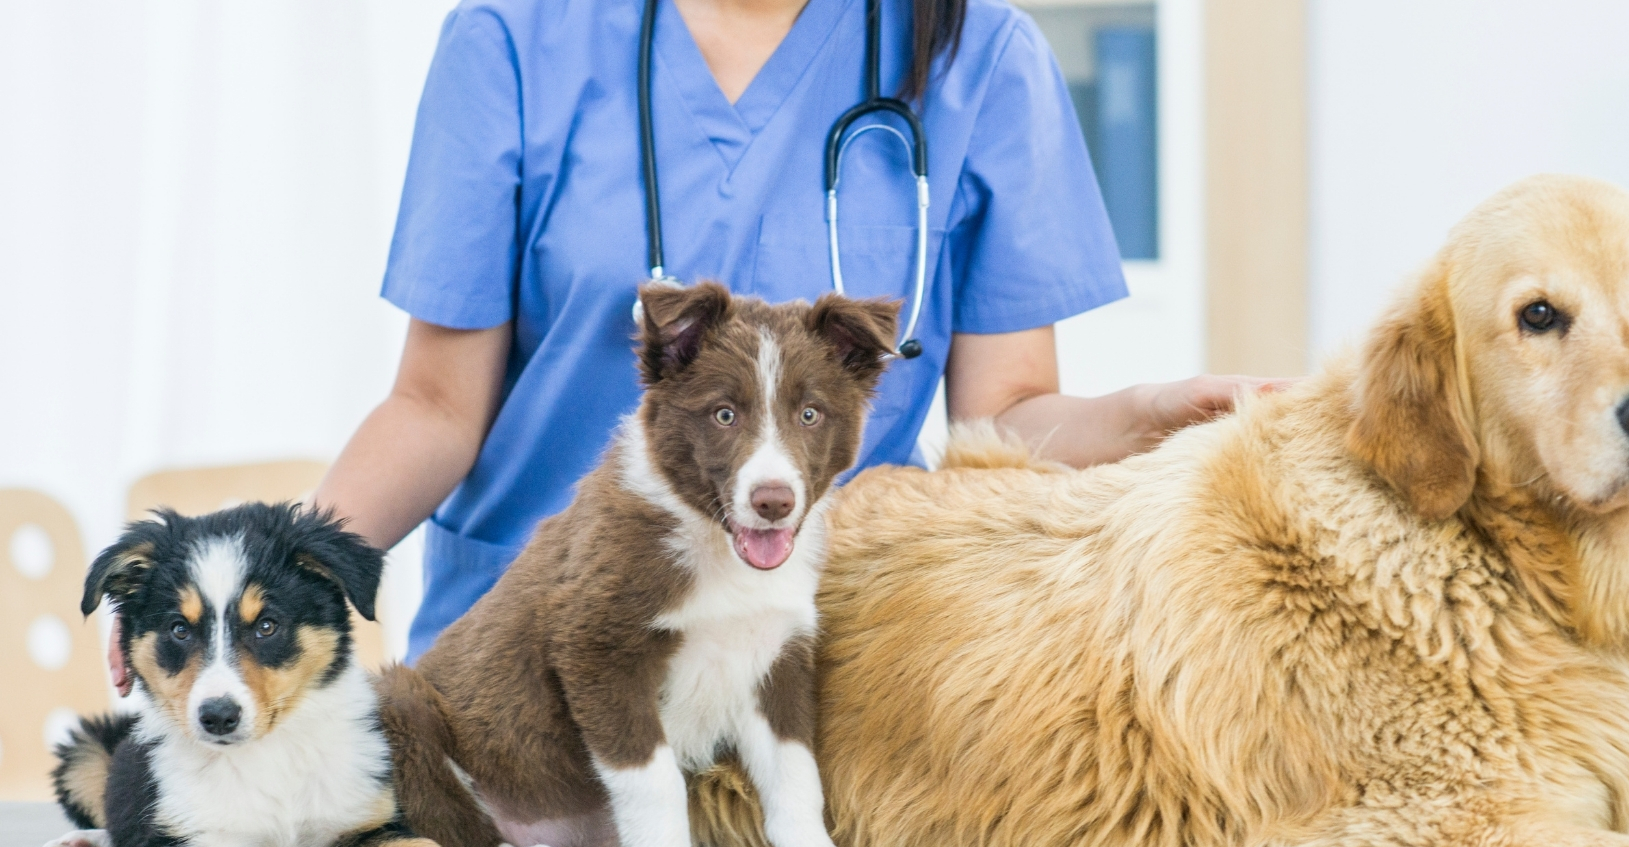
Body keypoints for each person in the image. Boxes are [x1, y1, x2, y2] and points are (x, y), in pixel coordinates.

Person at [99, 0, 1281, 693]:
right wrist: (256, 580)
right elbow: (433, 407)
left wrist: (1141, 418)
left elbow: (1008, 414)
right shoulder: (517, 38)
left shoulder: (978, 56)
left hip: (824, 673)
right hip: (532, 668)